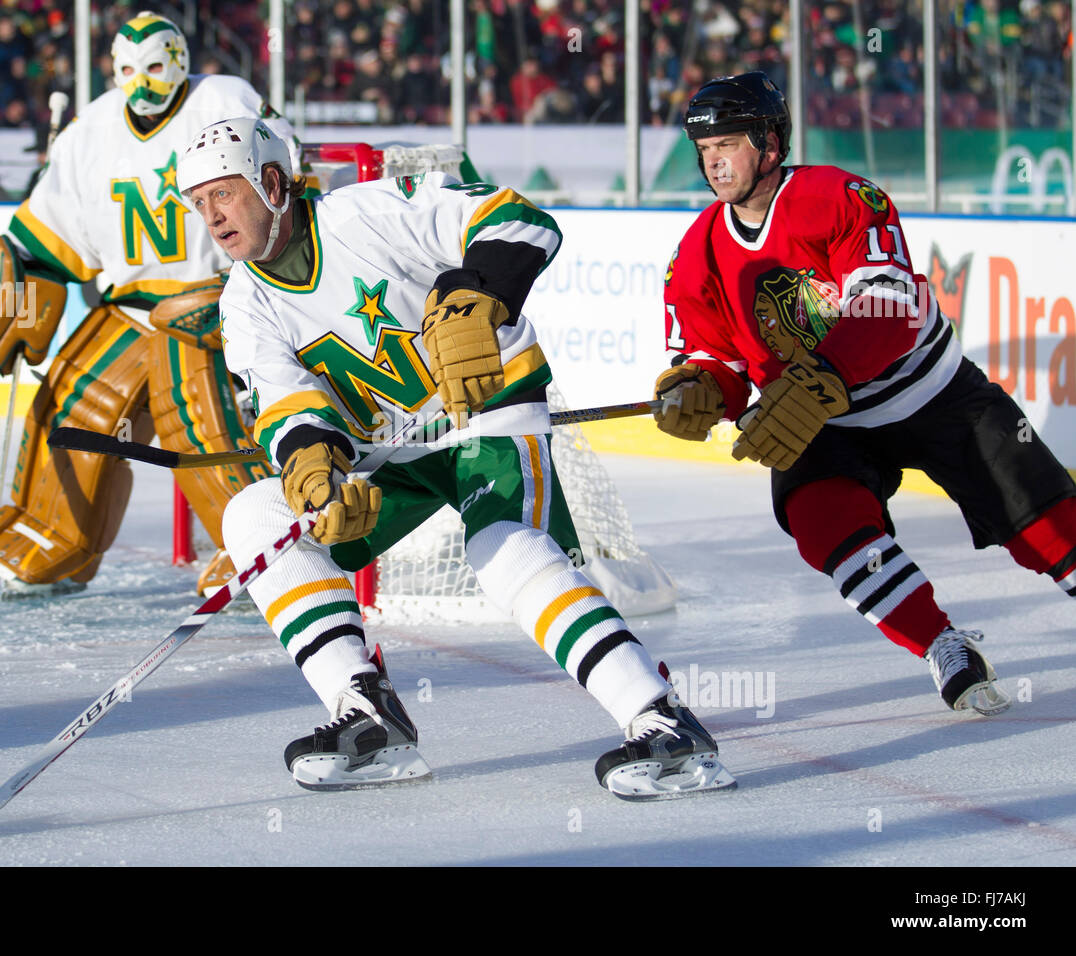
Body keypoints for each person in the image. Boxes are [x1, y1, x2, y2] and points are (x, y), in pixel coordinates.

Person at [175, 116, 737, 799]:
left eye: (222, 195)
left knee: (502, 548)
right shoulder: (245, 301)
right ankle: (366, 712)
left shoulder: (366, 212)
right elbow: (289, 408)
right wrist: (316, 476)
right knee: (256, 512)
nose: (212, 215)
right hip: (392, 454)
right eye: (199, 203)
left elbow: (524, 222)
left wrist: (477, 297)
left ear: (270, 184)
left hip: (487, 410)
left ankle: (660, 718)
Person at [656, 71, 1076, 716]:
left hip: (930, 394)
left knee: (1045, 524)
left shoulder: (841, 196)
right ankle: (943, 644)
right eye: (705, 148)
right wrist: (699, 387)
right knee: (822, 524)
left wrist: (826, 372)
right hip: (826, 424)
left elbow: (887, 304)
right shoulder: (697, 253)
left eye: (729, 144)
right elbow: (713, 353)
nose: (714, 161)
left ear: (770, 144)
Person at [0, 12, 303, 598]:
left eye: (156, 67)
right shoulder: (94, 127)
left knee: (196, 417)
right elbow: (50, 230)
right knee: (72, 404)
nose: (142, 82)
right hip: (131, 304)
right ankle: (51, 538)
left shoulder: (222, 98)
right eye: (128, 70)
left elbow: (285, 173)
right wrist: (22, 284)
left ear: (181, 62)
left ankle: (260, 541)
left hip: (215, 296)